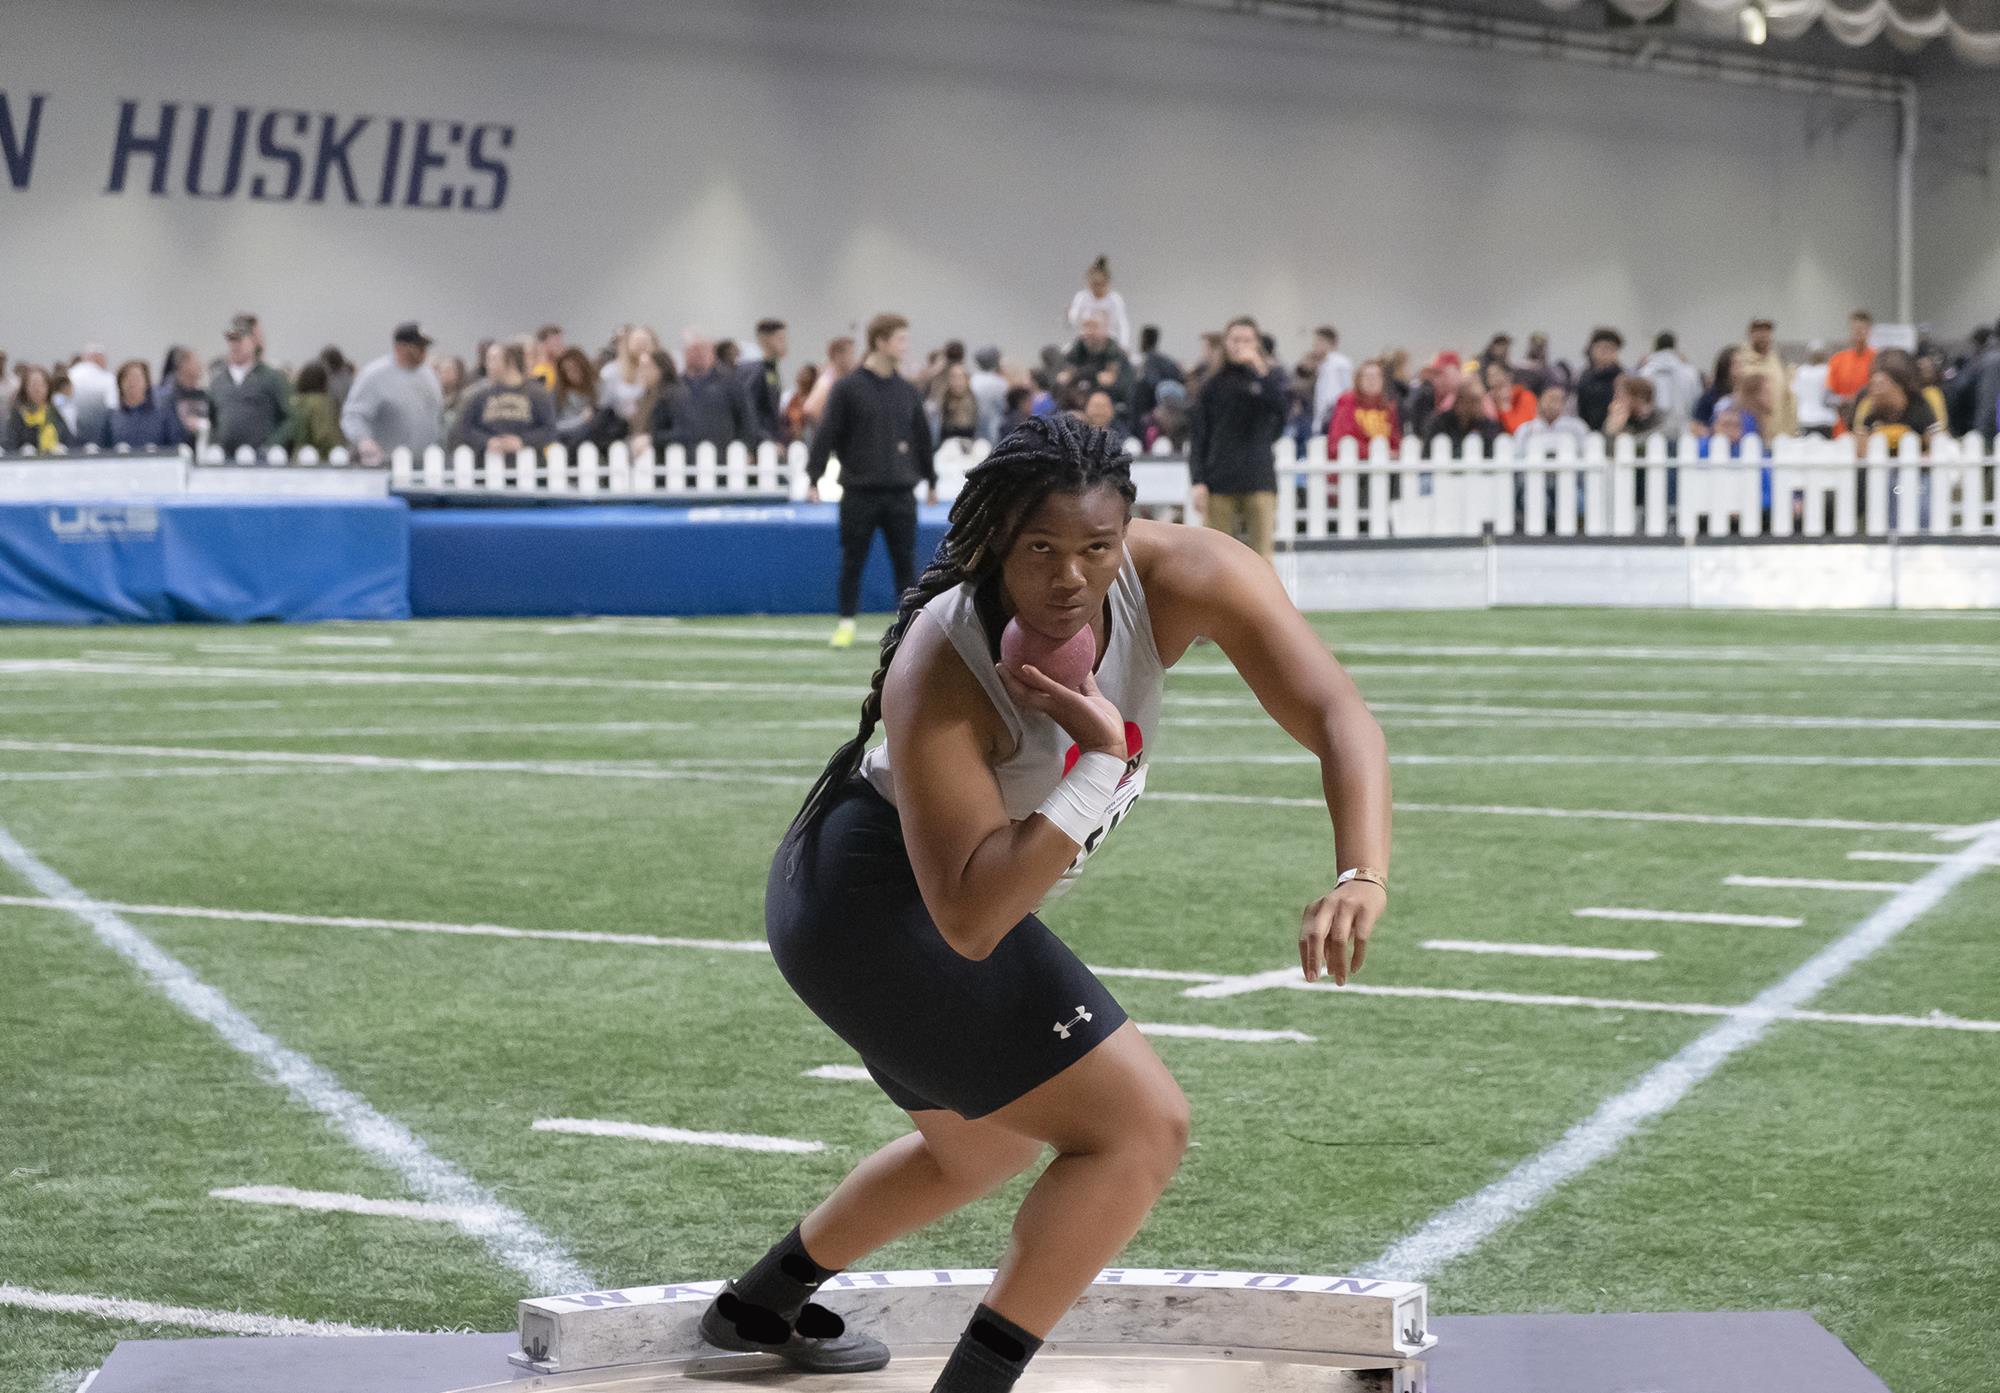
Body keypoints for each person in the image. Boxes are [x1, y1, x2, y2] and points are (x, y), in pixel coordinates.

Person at [704, 414, 1390, 1390]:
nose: (1070, 577)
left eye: (1096, 549)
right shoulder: (942, 664)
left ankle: (754, 1308)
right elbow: (972, 919)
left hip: (896, 898)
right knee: (1138, 1129)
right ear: (993, 543)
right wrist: (1099, 763)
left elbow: (1336, 711)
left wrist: (1358, 870)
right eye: (1040, 550)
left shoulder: (1192, 573)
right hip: (872, 900)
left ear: (1126, 536)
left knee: (977, 1148)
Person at [806, 313, 939, 649]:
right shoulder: (849, 388)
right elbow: (827, 434)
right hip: (859, 492)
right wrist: (814, 477)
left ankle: (908, 629)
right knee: (853, 560)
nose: (905, 346)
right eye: (900, 339)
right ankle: (846, 623)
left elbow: (922, 438)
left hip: (901, 493)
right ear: (880, 341)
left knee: (906, 563)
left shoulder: (906, 391)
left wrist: (931, 478)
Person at [1189, 316, 1288, 564]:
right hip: (1219, 480)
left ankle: (1262, 603)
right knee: (1217, 556)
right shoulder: (1211, 384)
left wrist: (1259, 370)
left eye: (1247, 340)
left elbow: (1281, 411)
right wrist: (1198, 480)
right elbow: (1199, 435)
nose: (1240, 345)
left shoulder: (1269, 379)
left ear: (1257, 344)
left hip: (1259, 479)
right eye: (1235, 339)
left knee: (1263, 556)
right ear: (1225, 343)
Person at [340, 322, 445, 465]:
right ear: (400, 347)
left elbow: (437, 415)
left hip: (424, 463)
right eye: (418, 347)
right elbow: (353, 415)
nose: (424, 352)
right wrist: (364, 440)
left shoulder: (428, 375)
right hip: (386, 464)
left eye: (425, 347)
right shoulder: (375, 375)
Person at [453, 342, 556, 455]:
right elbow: (463, 428)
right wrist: (487, 441)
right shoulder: (477, 395)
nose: (487, 365)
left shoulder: (537, 394)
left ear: (510, 361)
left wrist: (522, 441)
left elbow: (549, 430)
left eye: (493, 359)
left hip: (528, 463)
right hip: (487, 463)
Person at [210, 318, 292, 454]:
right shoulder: (219, 381)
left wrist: (272, 444)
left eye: (239, 340)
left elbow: (289, 418)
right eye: (231, 340)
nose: (234, 345)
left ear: (253, 342)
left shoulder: (271, 378)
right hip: (226, 459)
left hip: (260, 460)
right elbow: (212, 418)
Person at [676, 337, 757, 449]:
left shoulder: (731, 383)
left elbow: (747, 420)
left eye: (702, 349)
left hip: (725, 455)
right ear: (684, 353)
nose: (698, 354)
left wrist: (748, 448)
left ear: (712, 353)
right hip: (683, 456)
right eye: (693, 350)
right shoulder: (673, 387)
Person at [98, 360, 183, 449]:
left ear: (146, 383)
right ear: (120, 384)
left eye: (137, 378)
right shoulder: (111, 416)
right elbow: (103, 448)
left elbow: (175, 445)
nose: (132, 383)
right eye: (127, 378)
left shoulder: (163, 414)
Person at [1326, 359, 1402, 452]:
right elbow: (1341, 440)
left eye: (1376, 376)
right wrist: (1372, 452)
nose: (1372, 381)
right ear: (1358, 380)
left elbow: (1395, 440)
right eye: (1367, 376)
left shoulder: (1388, 407)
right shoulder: (1347, 402)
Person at [1737, 317, 1796, 437]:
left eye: (1766, 331)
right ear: (1750, 334)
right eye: (1758, 331)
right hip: (1751, 432)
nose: (1763, 335)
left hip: (1780, 433)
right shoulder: (1740, 360)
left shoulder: (1778, 361)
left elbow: (1788, 396)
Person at [1636, 333, 1703, 436]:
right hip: (1684, 430)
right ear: (1674, 346)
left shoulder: (1644, 372)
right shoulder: (1690, 372)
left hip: (1651, 431)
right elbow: (1697, 400)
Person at [4, 364, 77, 452]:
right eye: (33, 385)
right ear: (25, 388)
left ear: (48, 387)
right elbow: (9, 445)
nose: (37, 389)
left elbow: (70, 440)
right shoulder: (17, 415)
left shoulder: (53, 412)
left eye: (42, 385)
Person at [1065, 254, 1131, 351]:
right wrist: (1070, 316)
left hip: (1108, 340)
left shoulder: (1114, 299)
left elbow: (1122, 325)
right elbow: (1074, 320)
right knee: (1066, 352)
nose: (1095, 288)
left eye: (1099, 285)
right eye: (1092, 284)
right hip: (1086, 340)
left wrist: (1124, 345)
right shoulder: (1082, 297)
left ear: (1106, 283)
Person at [1426, 369, 1501, 450]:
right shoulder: (1440, 423)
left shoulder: (1488, 426)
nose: (1478, 406)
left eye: (1479, 401)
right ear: (1459, 401)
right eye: (1472, 401)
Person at [282, 361, 346, 455]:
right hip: (320, 457)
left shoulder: (295, 401)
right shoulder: (320, 403)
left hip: (296, 455)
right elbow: (323, 434)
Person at [1825, 310, 1875, 431]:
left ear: (1869, 331)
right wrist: (1844, 401)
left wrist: (1858, 401)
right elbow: (1828, 397)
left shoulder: (1877, 359)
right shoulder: (1837, 360)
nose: (1858, 332)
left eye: (1862, 328)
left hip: (1869, 426)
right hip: (1842, 429)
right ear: (1850, 330)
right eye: (1855, 329)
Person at [599, 326, 660, 422]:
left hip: (650, 423)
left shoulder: (658, 369)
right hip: (618, 424)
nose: (642, 346)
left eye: (645, 342)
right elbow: (604, 406)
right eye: (638, 342)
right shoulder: (611, 371)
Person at [743, 319, 788, 443]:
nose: (784, 344)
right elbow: (749, 411)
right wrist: (766, 439)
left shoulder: (772, 370)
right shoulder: (756, 372)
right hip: (762, 443)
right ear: (765, 340)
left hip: (773, 438)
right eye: (780, 339)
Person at [158, 347, 214, 443]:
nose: (200, 366)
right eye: (195, 363)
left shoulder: (205, 395)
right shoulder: (167, 396)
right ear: (183, 366)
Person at [801, 336, 857, 430]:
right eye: (850, 354)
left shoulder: (839, 379)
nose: (853, 359)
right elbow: (811, 409)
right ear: (838, 356)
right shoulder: (827, 381)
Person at [1573, 328, 1624, 433]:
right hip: (1585, 431)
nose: (1605, 352)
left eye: (1610, 349)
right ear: (1592, 349)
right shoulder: (1581, 377)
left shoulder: (1622, 378)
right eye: (1601, 348)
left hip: (1612, 432)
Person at [67, 344, 119, 444]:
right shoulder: (108, 379)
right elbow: (113, 406)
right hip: (98, 432)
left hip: (71, 432)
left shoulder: (68, 374)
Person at [551, 348, 601, 445]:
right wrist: (581, 419)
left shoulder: (598, 386)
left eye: (574, 368)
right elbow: (553, 426)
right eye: (566, 371)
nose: (571, 374)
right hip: (570, 444)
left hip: (598, 443)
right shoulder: (558, 393)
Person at [1309, 325, 1354, 435]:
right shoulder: (1322, 365)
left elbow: (1348, 388)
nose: (1315, 345)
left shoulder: (1341, 363)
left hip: (1336, 413)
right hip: (1323, 416)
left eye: (1319, 341)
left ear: (1329, 343)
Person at [930, 362, 980, 446]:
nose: (957, 382)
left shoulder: (974, 401)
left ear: (967, 380)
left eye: (960, 377)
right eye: (953, 378)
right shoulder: (943, 401)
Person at [1793, 344, 1836, 438]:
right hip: (1824, 419)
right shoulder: (1828, 370)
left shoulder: (1801, 371)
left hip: (1806, 419)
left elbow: (1795, 392)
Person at [969, 347, 1010, 443]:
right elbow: (1005, 407)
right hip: (995, 429)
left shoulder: (972, 381)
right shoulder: (1001, 383)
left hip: (975, 428)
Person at [1484, 360, 1536, 434]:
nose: (1493, 379)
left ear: (1508, 376)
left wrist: (1505, 408)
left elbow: (1518, 431)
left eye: (1496, 374)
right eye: (1489, 376)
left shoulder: (1525, 396)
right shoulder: (1488, 401)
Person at [530, 324, 565, 391]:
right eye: (556, 342)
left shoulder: (557, 367)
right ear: (543, 343)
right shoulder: (536, 370)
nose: (561, 345)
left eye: (561, 341)